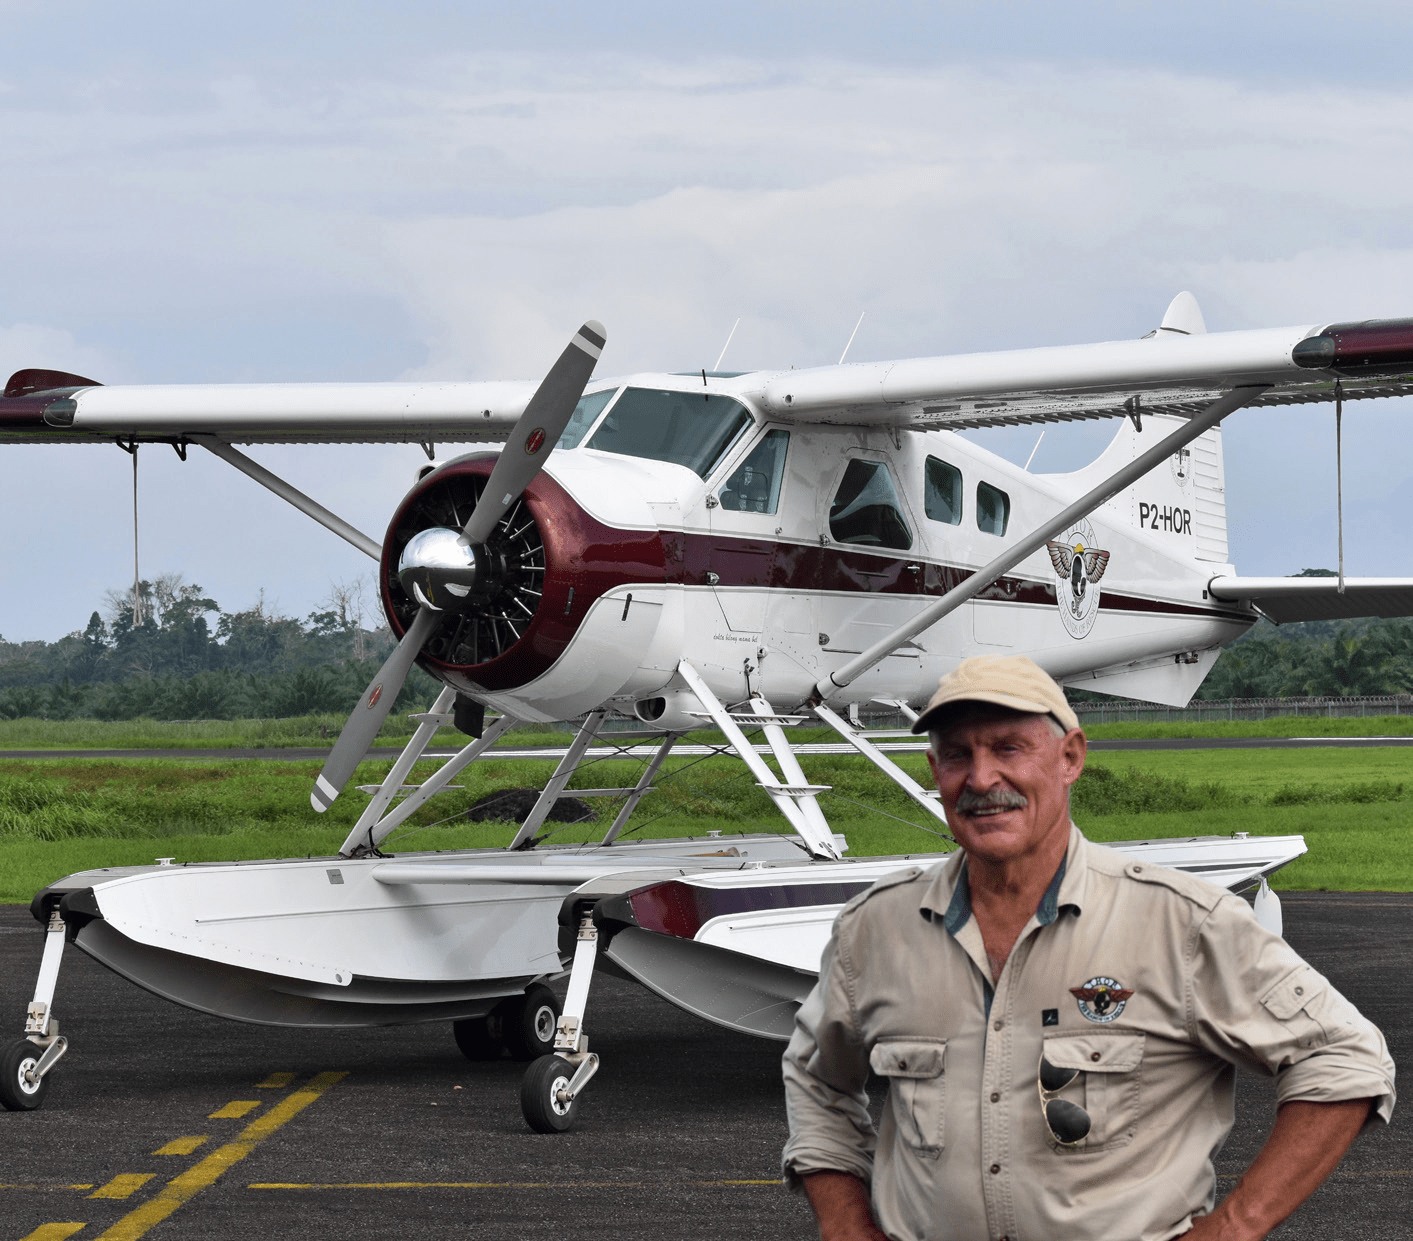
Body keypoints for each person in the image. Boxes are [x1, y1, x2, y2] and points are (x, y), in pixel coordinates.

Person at [781, 654, 1395, 1241]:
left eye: (1008, 748)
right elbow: (817, 1081)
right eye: (955, 755)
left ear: (1070, 757)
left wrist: (1233, 1228)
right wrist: (845, 1224)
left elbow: (1343, 1060)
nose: (981, 778)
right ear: (933, 769)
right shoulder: (875, 928)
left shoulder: (1181, 924)